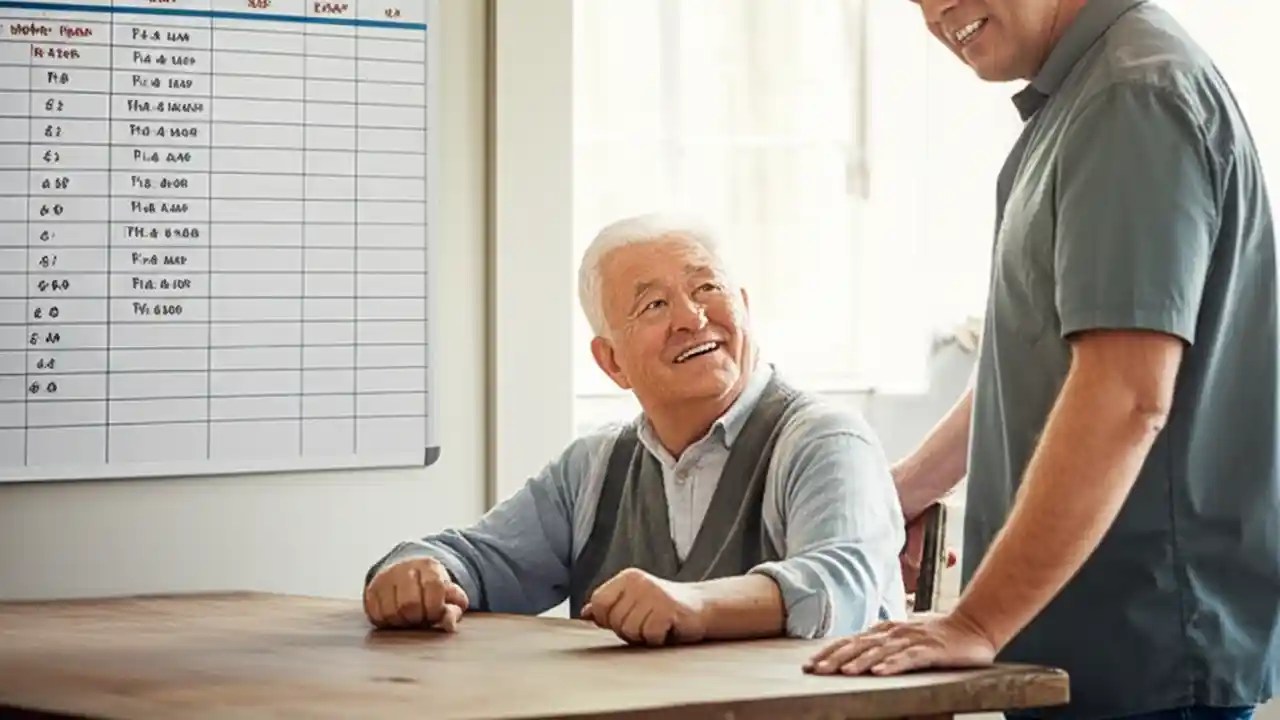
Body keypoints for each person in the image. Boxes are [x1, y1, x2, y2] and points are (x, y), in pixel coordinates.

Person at [806, 1, 1279, 719]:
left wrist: (975, 621)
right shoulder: (1088, 95)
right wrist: (899, 493)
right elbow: (1041, 362)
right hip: (1084, 657)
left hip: (1144, 663)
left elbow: (1125, 397)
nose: (936, 10)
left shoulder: (1132, 99)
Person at [362, 213, 906, 645]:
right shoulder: (594, 467)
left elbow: (842, 588)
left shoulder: (824, 440)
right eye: (654, 305)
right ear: (612, 362)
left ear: (743, 307)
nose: (691, 318)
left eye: (707, 288)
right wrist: (417, 571)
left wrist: (695, 604)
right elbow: (483, 561)